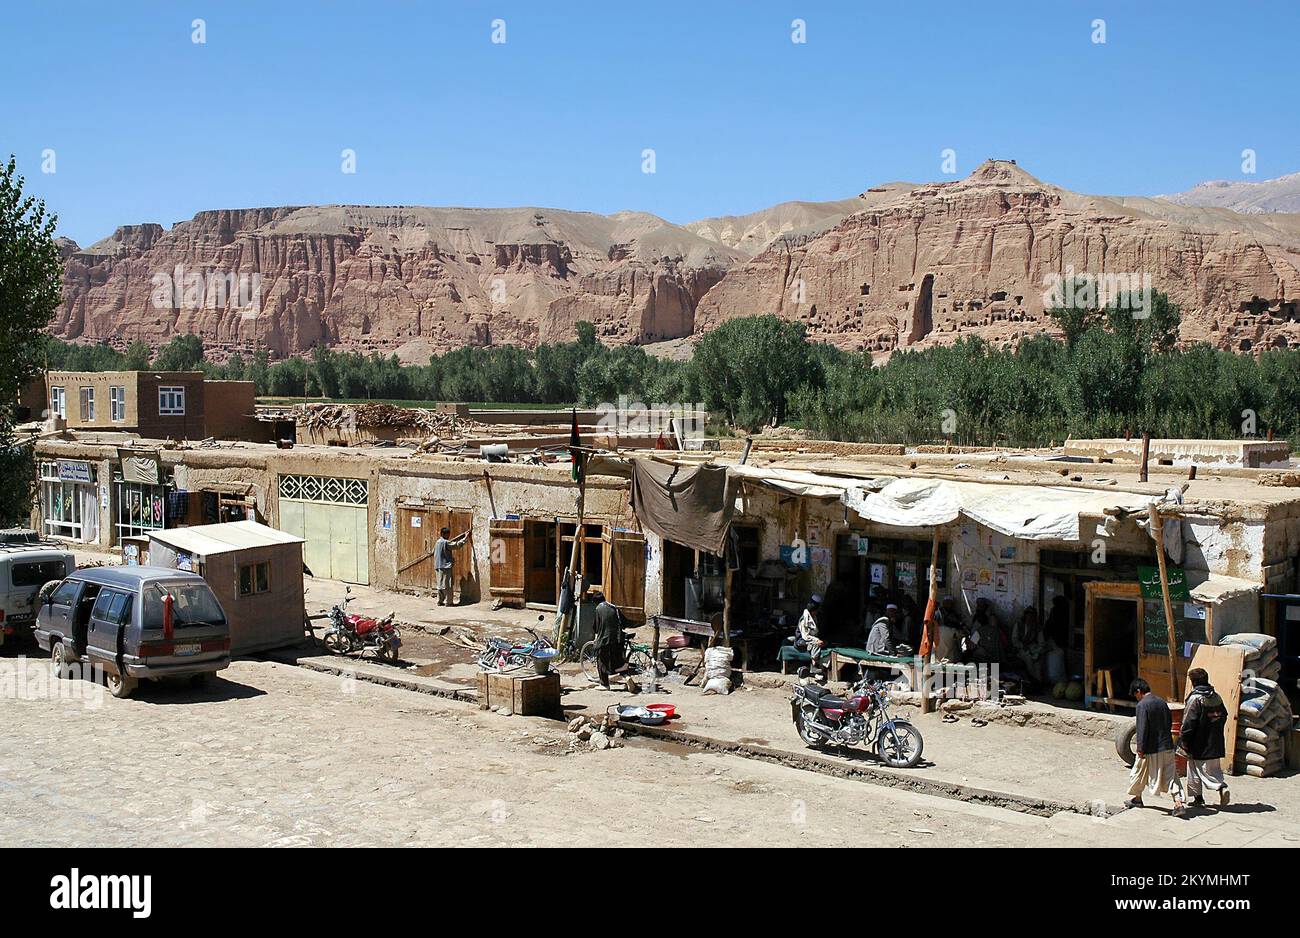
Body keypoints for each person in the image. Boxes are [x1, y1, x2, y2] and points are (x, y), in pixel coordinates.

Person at [1126, 678, 1187, 817]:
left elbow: (1142, 728)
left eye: (1135, 695)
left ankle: (1138, 798)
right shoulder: (1161, 702)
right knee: (1171, 776)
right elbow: (1169, 723)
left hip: (1151, 748)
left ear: (1138, 692)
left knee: (1137, 772)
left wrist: (1140, 748)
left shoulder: (1142, 705)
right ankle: (1178, 803)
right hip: (1167, 746)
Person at [1179, 668, 1231, 808]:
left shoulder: (1195, 699)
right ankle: (1201, 797)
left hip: (1199, 743)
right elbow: (1224, 715)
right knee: (1212, 769)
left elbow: (1189, 722)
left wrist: (1184, 739)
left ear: (1194, 682)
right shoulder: (1216, 697)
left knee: (1196, 770)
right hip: (1215, 741)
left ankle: (1219, 787)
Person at [591, 590, 625, 689]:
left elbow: (596, 627)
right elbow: (623, 621)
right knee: (618, 658)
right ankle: (626, 677)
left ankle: (604, 684)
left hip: (606, 638)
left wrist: (596, 636)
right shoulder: (613, 607)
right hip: (618, 637)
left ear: (595, 602)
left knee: (601, 658)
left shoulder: (598, 609)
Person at [433, 526, 469, 606]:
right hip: (445, 566)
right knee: (447, 585)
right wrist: (465, 538)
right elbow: (456, 545)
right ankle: (448, 602)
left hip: (438, 566)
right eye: (447, 534)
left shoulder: (437, 542)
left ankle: (440, 601)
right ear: (443, 534)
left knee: (440, 584)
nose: (449, 535)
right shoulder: (445, 542)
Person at [1011, 605, 1046, 684]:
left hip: (1033, 648)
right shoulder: (1019, 625)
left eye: (1032, 615)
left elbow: (1042, 643)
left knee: (1038, 662)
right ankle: (1032, 682)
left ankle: (1039, 683)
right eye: (1028, 615)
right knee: (1028, 659)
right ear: (1025, 615)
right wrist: (1022, 646)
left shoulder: (1037, 627)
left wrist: (1038, 652)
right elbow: (1014, 640)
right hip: (1020, 649)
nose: (1030, 617)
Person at [967, 597, 1003, 666]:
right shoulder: (977, 618)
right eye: (978, 606)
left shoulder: (981, 630)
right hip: (993, 659)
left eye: (981, 606)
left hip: (985, 657)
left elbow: (971, 646)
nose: (979, 608)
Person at [796, 595, 824, 673]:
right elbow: (805, 636)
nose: (816, 613)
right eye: (816, 611)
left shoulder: (814, 617)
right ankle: (813, 666)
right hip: (801, 640)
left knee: (820, 642)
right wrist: (817, 640)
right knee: (816, 644)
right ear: (813, 611)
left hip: (809, 639)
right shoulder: (803, 619)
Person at [933, 596, 963, 662]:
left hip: (951, 635)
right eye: (947, 603)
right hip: (939, 635)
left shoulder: (954, 614)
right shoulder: (938, 613)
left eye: (950, 603)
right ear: (943, 603)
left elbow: (958, 626)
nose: (949, 605)